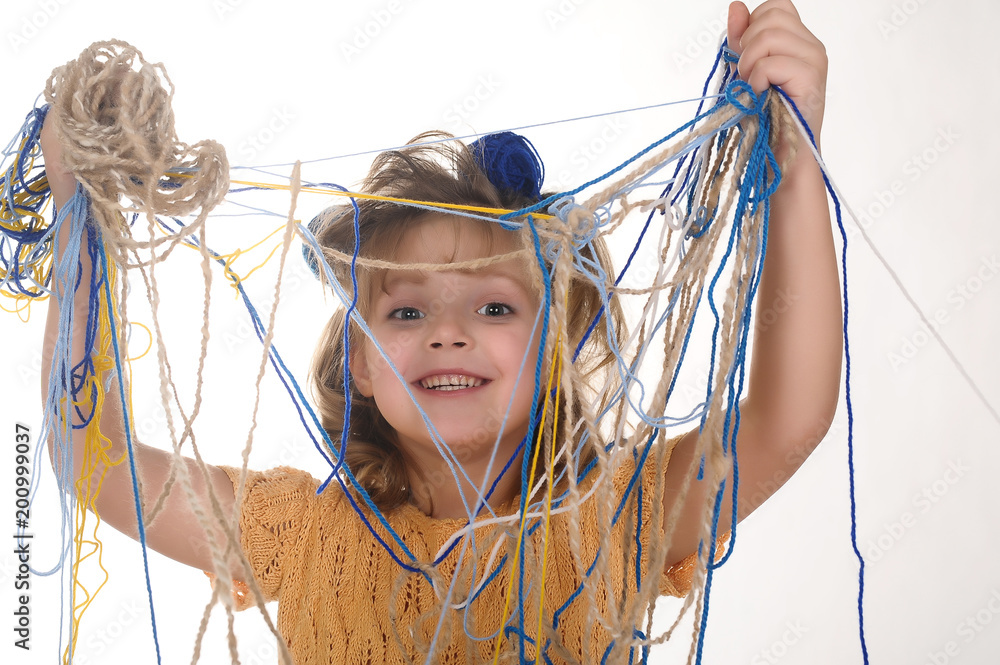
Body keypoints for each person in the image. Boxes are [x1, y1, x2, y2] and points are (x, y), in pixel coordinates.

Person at [39, 1, 840, 663]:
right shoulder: (307, 532)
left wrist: (795, 160)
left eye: (494, 307)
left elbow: (784, 418)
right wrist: (82, 219)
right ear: (358, 360)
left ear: (559, 346)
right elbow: (94, 458)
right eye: (407, 311)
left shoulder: (611, 523)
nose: (448, 333)